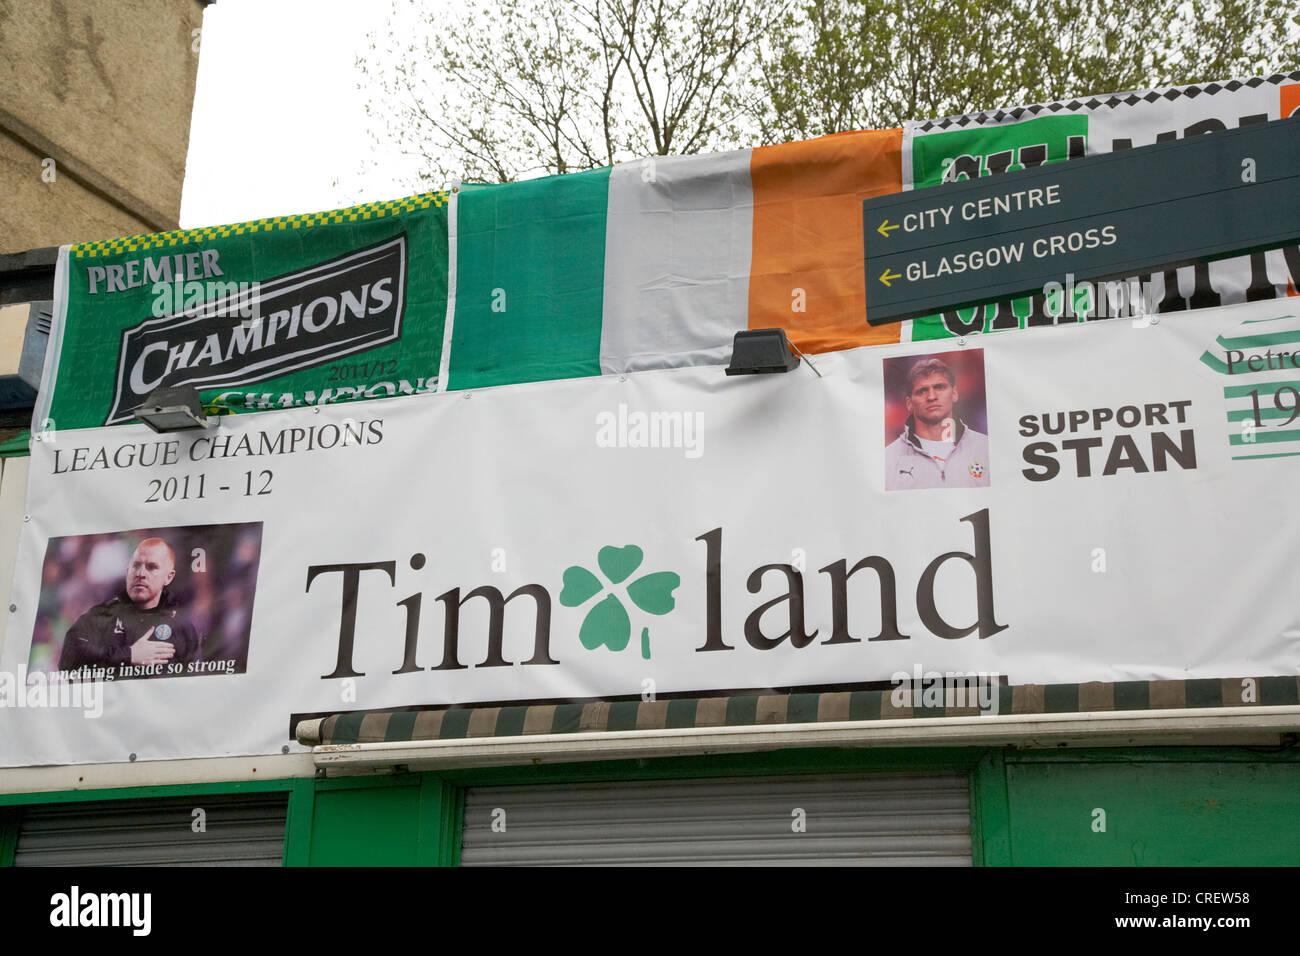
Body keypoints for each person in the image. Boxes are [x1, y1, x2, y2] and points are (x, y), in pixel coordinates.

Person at [58, 537, 202, 675]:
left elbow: (193, 678)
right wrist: (130, 654)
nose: (141, 573)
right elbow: (69, 660)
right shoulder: (104, 618)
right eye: (136, 566)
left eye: (152, 567)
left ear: (168, 577)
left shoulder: (181, 627)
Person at [884, 357, 990, 490]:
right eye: (922, 391)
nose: (932, 397)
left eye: (939, 387)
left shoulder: (986, 448)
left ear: (954, 394)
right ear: (909, 403)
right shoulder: (888, 460)